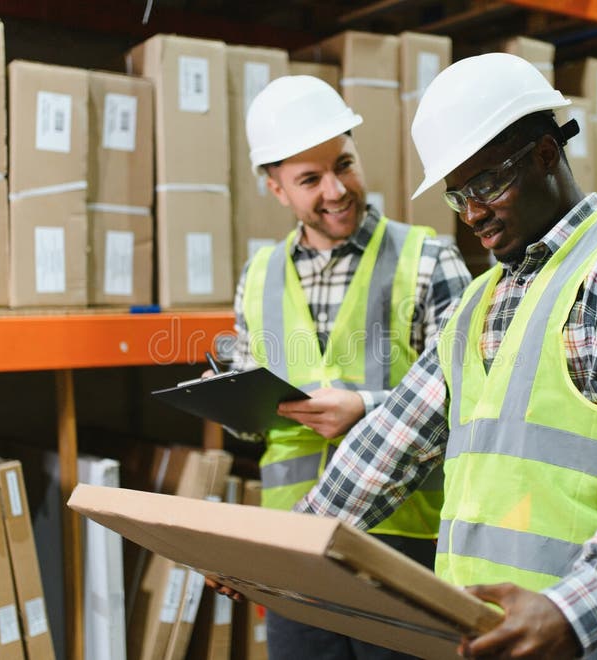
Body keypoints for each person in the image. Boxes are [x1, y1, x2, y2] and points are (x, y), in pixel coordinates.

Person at [294, 53, 597, 660]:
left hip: (591, 638)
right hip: (476, 631)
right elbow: (387, 446)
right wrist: (282, 540)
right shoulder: (477, 303)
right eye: (457, 195)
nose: (472, 214)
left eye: (487, 184)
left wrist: (572, 612)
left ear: (547, 154)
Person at [229, 75, 471, 659]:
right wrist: (232, 400)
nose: (337, 190)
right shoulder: (257, 276)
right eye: (310, 180)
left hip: (400, 537)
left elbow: (475, 393)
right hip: (293, 545)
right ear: (276, 189)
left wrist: (366, 407)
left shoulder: (428, 257)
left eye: (345, 164)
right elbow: (249, 423)